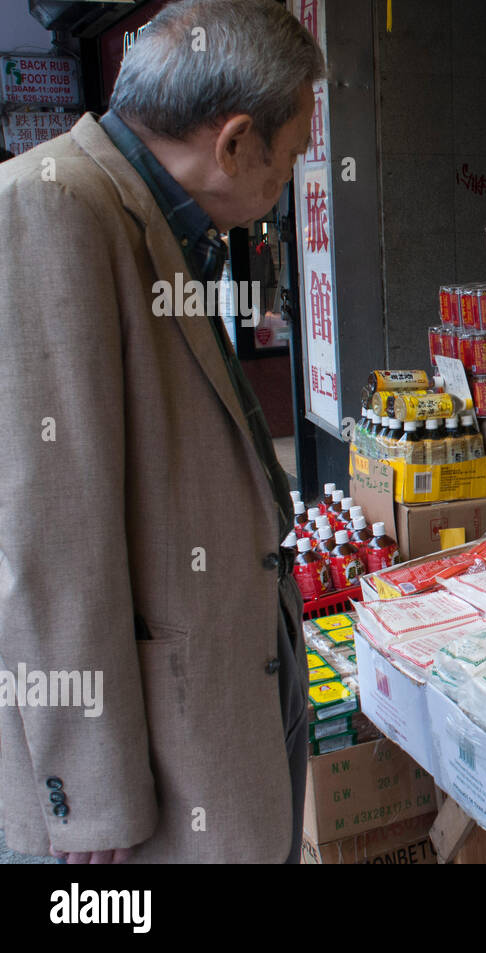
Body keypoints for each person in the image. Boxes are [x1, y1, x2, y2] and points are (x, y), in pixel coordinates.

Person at [0, 0, 324, 863]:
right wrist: (90, 794)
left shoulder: (156, 214)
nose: (286, 183)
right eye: (289, 157)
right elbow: (46, 531)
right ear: (234, 142)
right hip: (152, 743)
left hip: (225, 680)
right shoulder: (52, 207)